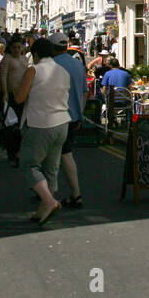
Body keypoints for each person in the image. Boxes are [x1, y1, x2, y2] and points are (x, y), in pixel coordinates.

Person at [13, 37, 71, 226]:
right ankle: (43, 209)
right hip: (62, 122)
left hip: (40, 122)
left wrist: (15, 86)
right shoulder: (63, 71)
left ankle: (48, 201)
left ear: (36, 54)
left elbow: (20, 98)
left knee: (29, 165)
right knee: (51, 167)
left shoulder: (34, 70)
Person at [49, 31, 86, 208]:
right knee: (64, 153)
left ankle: (51, 194)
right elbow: (85, 92)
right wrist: (80, 113)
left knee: (58, 155)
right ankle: (59, 193)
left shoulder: (51, 64)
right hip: (74, 116)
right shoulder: (78, 65)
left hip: (55, 115)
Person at [0, 36, 29, 166]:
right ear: (10, 48)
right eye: (14, 47)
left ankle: (18, 151)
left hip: (23, 95)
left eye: (19, 47)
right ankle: (13, 151)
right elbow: (3, 77)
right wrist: (5, 93)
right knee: (11, 125)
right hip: (11, 95)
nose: (17, 50)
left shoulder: (25, 59)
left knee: (21, 125)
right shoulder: (7, 59)